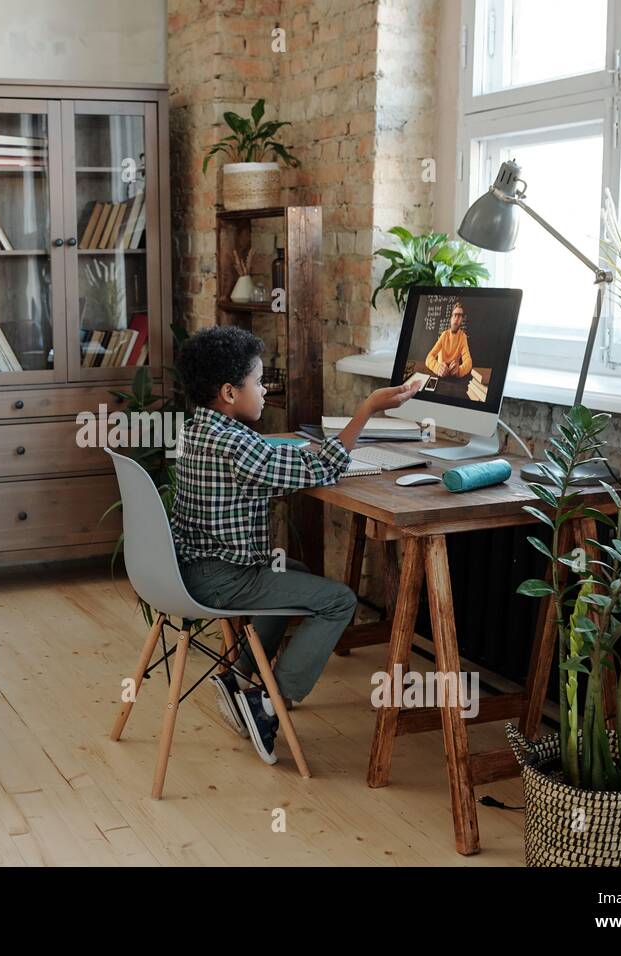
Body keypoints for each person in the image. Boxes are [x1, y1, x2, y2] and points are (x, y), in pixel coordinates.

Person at [170, 325, 421, 764]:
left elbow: (271, 461)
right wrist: (367, 409)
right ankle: (267, 705)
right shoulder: (236, 445)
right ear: (230, 392)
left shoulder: (201, 430)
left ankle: (239, 677)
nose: (266, 389)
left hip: (193, 569)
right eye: (258, 380)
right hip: (223, 579)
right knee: (339, 601)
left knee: (296, 576)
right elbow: (321, 469)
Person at [425, 301, 473, 378]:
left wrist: (459, 371)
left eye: (460, 315)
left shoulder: (462, 337)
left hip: (454, 377)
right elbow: (428, 358)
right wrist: (437, 367)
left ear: (462, 319)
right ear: (451, 318)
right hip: (439, 375)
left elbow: (468, 362)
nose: (456, 318)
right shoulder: (444, 335)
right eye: (455, 315)